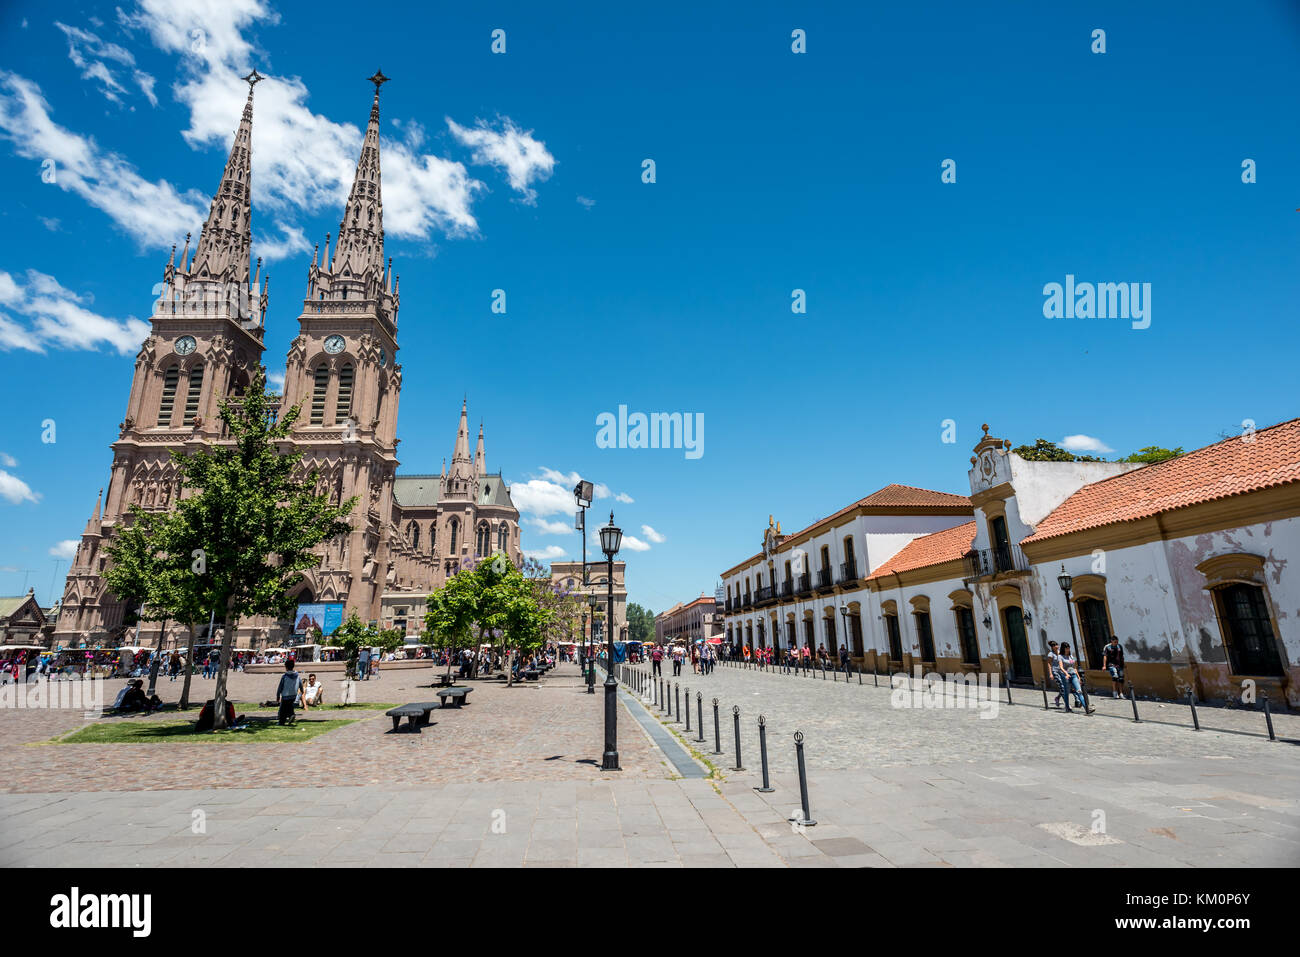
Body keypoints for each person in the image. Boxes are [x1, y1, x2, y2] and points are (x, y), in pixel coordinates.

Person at [1058, 643, 1093, 713]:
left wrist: (1078, 677)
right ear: (1063, 649)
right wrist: (1066, 674)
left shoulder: (1070, 656)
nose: (1068, 649)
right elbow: (1061, 667)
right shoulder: (1060, 656)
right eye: (1066, 648)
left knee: (1079, 691)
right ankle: (1067, 707)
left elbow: (1074, 667)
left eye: (1068, 648)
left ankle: (1086, 708)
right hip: (1065, 676)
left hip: (1073, 675)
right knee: (1066, 692)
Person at [276, 658, 303, 726]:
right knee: (289, 707)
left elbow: (280, 687)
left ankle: (282, 721)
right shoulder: (297, 676)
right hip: (294, 695)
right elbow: (300, 684)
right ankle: (291, 715)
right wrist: (302, 691)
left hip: (285, 695)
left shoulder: (284, 676)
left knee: (283, 710)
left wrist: (278, 695)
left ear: (286, 667)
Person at [1046, 640, 1066, 707]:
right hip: (1055, 672)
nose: (1057, 646)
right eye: (1055, 645)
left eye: (1057, 645)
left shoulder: (1060, 653)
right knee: (1062, 687)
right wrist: (1051, 674)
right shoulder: (1050, 654)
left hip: (1062, 671)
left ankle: (1057, 698)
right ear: (1052, 647)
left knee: (1065, 687)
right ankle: (1067, 703)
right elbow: (1049, 664)